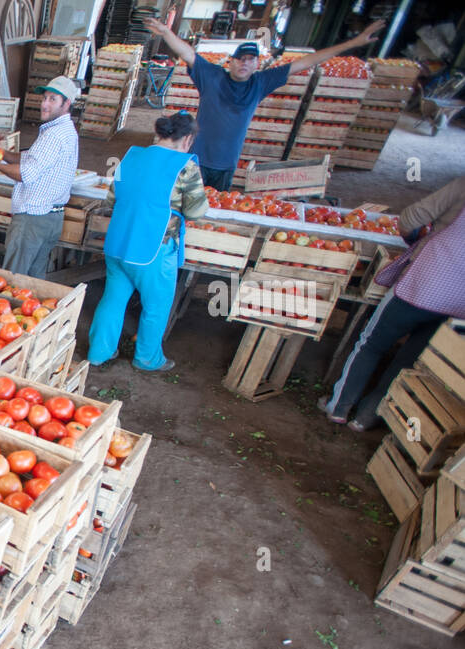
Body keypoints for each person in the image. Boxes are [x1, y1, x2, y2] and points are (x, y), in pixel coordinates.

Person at [144, 17, 385, 190]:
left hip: (226, 164)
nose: (244, 64)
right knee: (182, 204)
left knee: (214, 211)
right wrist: (167, 33)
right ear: (231, 62)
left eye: (250, 60)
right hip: (195, 158)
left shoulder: (260, 83)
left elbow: (307, 61)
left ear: (257, 64)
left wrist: (352, 43)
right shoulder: (212, 76)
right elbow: (188, 54)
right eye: (239, 59)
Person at [320, 175, 465, 431]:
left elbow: (411, 217)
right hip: (458, 306)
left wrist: (416, 243)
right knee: (408, 360)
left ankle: (339, 407)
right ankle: (365, 418)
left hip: (423, 283)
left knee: (372, 344)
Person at [87, 112, 208, 373]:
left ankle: (98, 353)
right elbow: (197, 212)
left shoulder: (131, 157)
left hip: (118, 244)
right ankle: (147, 358)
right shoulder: (185, 166)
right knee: (157, 305)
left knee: (113, 298)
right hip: (153, 249)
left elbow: (111, 199)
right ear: (187, 139)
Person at [0, 75, 80, 280]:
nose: (44, 104)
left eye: (52, 99)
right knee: (33, 280)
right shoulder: (65, 130)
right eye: (44, 98)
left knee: (12, 280)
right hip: (52, 218)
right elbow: (30, 158)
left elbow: (25, 173)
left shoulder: (53, 136)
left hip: (33, 218)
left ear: (67, 104)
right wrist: (4, 154)